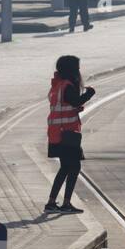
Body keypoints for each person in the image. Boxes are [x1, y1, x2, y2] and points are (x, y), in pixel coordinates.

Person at [44, 55, 96, 214]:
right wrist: (90, 93)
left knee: (65, 168)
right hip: (66, 134)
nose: (79, 71)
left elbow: (65, 106)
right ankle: (65, 203)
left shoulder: (57, 85)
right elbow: (74, 101)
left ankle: (52, 203)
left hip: (57, 133)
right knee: (73, 167)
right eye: (78, 68)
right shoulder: (67, 86)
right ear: (72, 70)